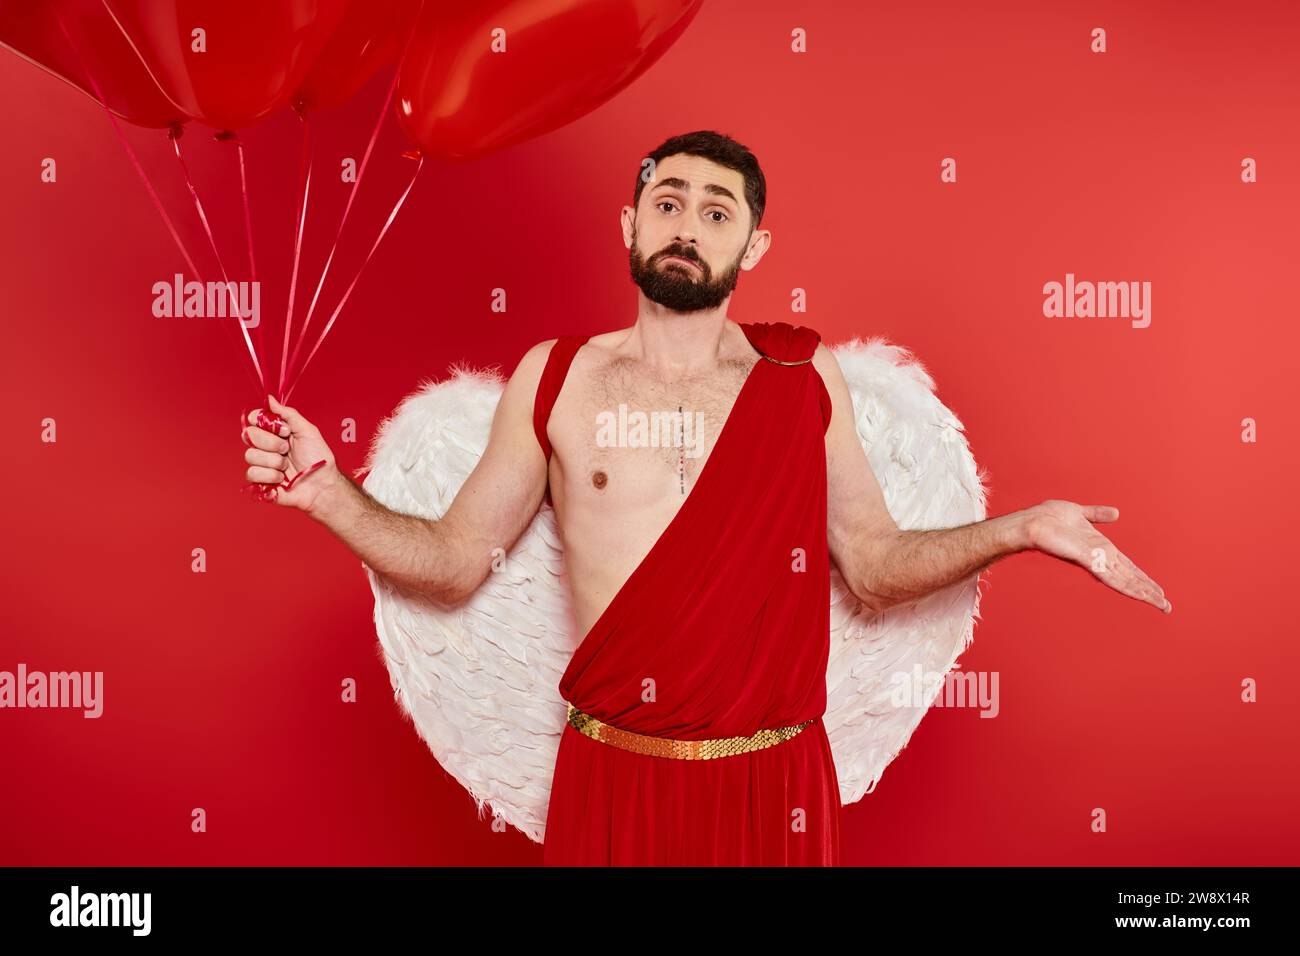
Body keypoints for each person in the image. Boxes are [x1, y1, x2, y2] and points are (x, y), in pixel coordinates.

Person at [240, 130, 1171, 866]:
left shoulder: (803, 377)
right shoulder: (554, 377)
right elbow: (450, 564)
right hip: (615, 778)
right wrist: (330, 495)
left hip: (775, 783)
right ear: (630, 224)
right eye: (668, 202)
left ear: (753, 243)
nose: (687, 225)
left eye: (716, 211)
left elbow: (878, 570)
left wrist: (1024, 529)